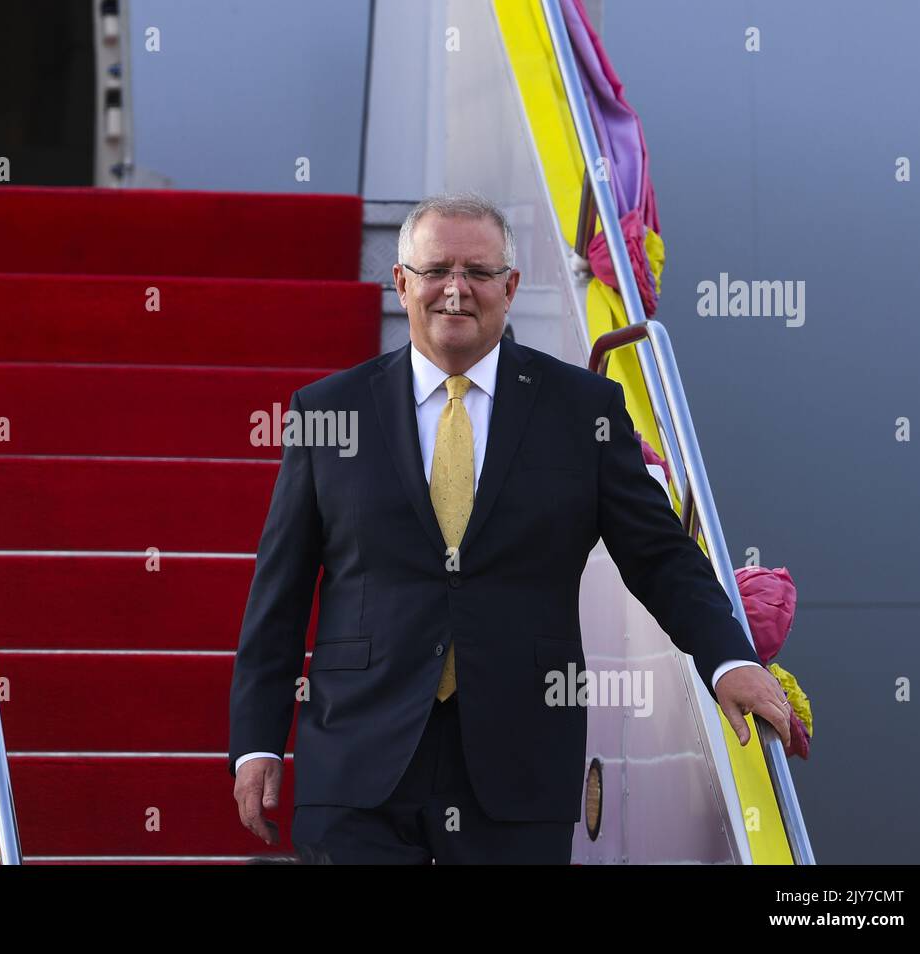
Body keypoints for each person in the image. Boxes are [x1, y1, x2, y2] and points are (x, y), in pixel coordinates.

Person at [228, 192, 793, 864]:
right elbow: (280, 595)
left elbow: (661, 557)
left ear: (512, 287)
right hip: (358, 755)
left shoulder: (585, 409)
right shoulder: (328, 411)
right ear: (402, 281)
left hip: (521, 759)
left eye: (479, 273)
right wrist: (258, 740)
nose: (456, 291)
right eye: (436, 270)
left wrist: (727, 659)